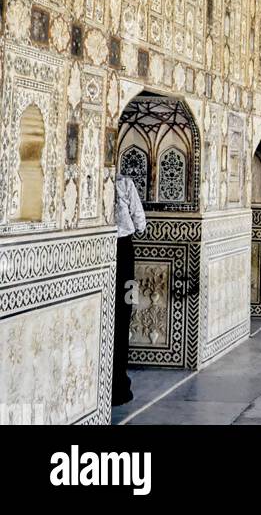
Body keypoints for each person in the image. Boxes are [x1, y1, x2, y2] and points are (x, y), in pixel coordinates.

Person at [113, 173, 146, 406]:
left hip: (106, 249)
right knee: (124, 310)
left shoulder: (112, 182)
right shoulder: (124, 183)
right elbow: (140, 221)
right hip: (124, 250)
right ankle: (119, 385)